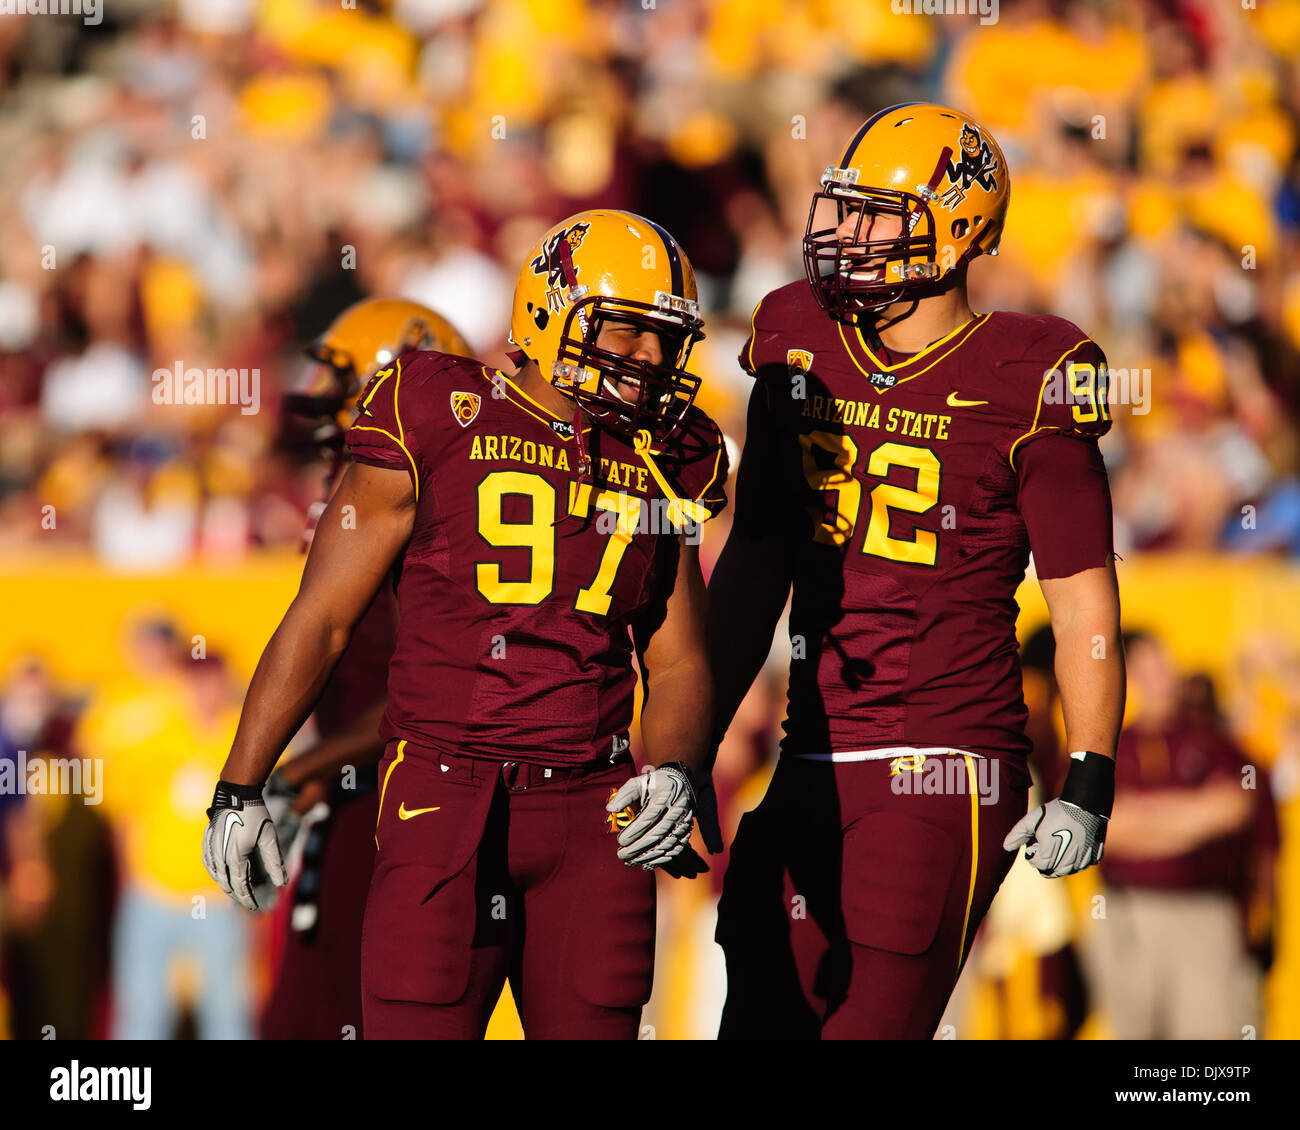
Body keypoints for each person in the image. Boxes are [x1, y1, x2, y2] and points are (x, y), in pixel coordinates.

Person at [203, 210, 728, 1039]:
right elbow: (324, 614)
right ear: (552, 310)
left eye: (667, 338)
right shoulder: (438, 407)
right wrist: (241, 783)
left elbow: (680, 660)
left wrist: (675, 770)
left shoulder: (667, 455)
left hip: (594, 807)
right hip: (443, 789)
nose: (652, 358)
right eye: (629, 330)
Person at [707, 103, 1125, 1039]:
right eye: (845, 210)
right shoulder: (797, 335)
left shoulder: (1032, 372)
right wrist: (687, 749)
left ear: (960, 229)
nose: (849, 236)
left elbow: (1083, 603)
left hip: (942, 759)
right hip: (807, 750)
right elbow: (753, 566)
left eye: (877, 216)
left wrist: (1088, 777)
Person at [259, 298, 473, 1040]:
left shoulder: (413, 513)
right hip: (356, 796)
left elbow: (421, 687)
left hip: (396, 809)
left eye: (340, 386)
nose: (322, 405)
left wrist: (294, 771)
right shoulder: (357, 502)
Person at [1087, 633, 1277, 1039]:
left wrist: (1141, 818)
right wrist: (1187, 818)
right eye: (1148, 667)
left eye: (1164, 665)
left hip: (1201, 912)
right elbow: (1097, 826)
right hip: (1127, 914)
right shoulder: (1108, 747)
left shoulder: (1210, 739)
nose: (1161, 677)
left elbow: (1232, 807)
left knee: (1208, 1030)